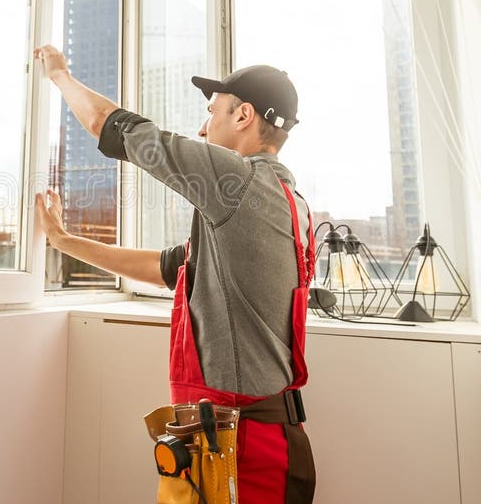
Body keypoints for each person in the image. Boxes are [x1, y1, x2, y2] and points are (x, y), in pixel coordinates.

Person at [33, 44, 316, 504]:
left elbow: (118, 130)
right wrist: (66, 244)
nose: (203, 128)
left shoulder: (237, 181)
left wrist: (60, 75)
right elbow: (170, 267)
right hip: (261, 439)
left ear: (243, 115)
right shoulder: (289, 204)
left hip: (243, 453)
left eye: (212, 113)